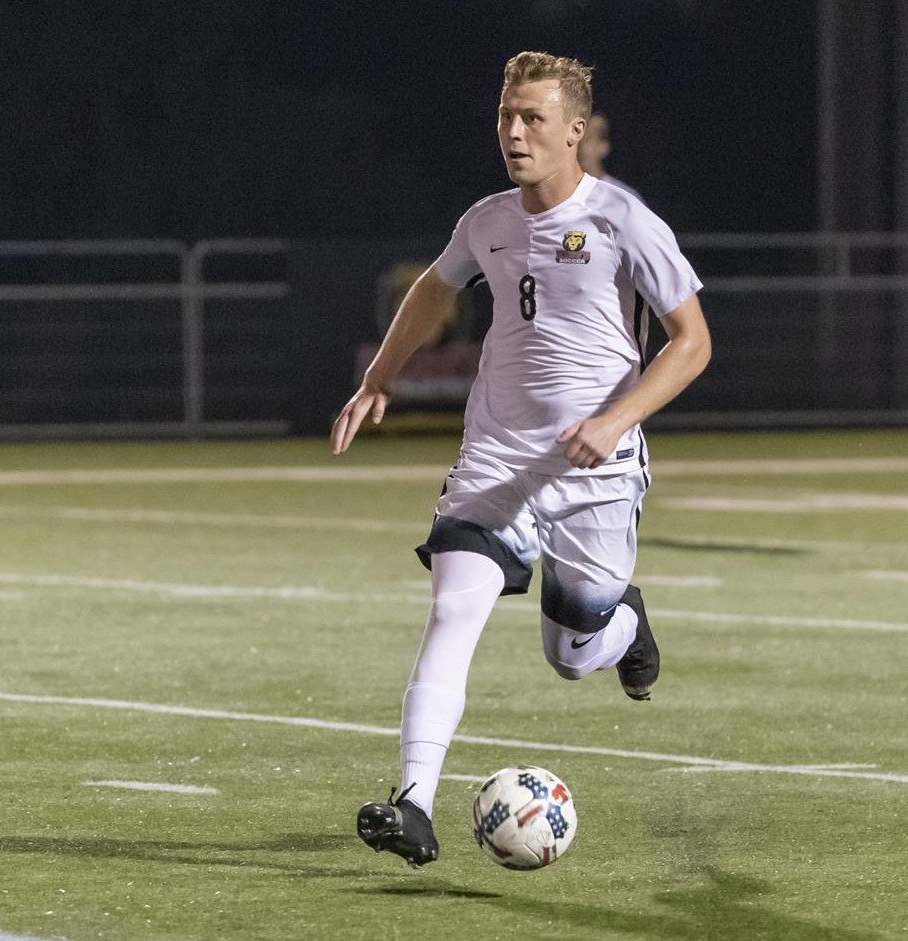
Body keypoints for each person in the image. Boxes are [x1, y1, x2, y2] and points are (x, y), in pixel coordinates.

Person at [331, 51, 711, 866]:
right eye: (506, 114)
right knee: (453, 605)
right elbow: (437, 287)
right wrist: (378, 378)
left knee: (574, 653)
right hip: (497, 457)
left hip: (595, 472)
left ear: (575, 130)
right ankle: (414, 802)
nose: (513, 131)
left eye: (532, 117)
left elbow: (693, 343)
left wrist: (617, 421)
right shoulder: (488, 221)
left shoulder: (625, 223)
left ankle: (625, 627)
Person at [577, 112, 644, 203]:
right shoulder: (559, 194)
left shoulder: (624, 198)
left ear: (604, 147)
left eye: (589, 138)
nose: (582, 145)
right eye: (579, 138)